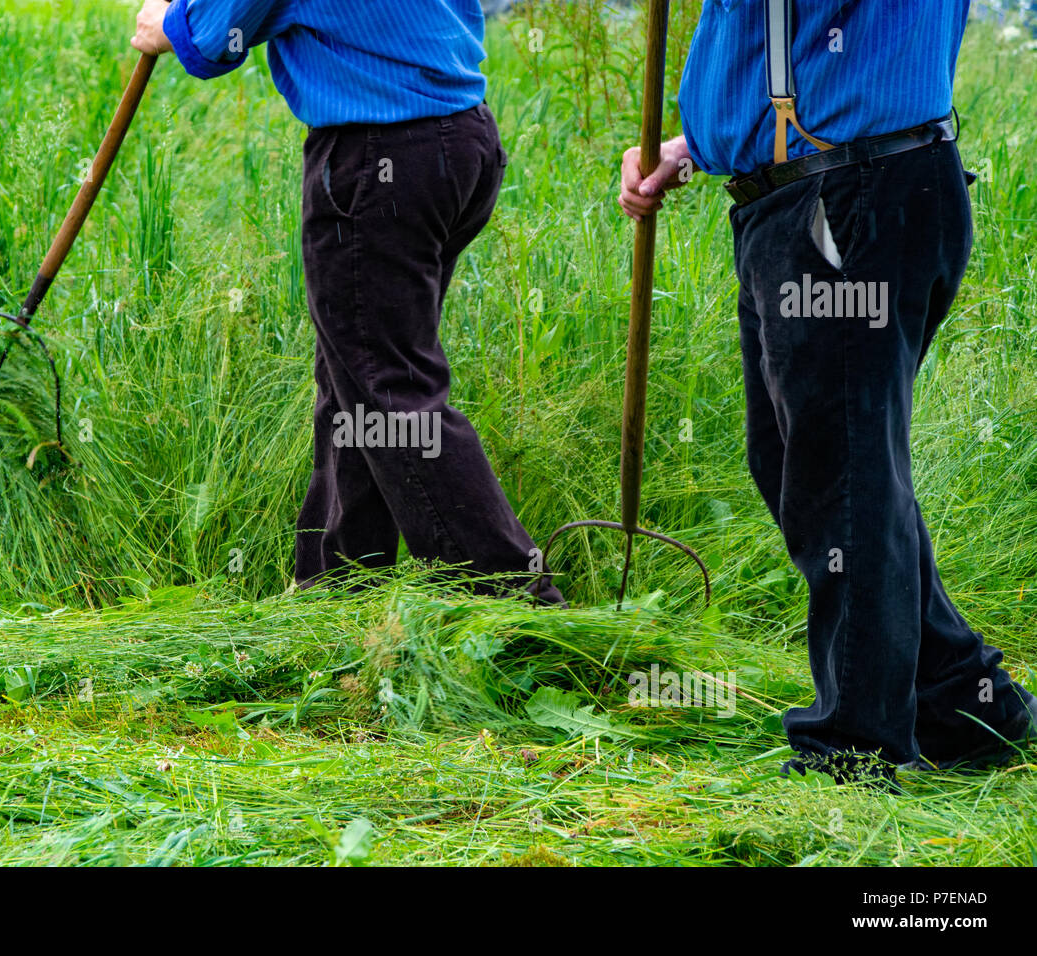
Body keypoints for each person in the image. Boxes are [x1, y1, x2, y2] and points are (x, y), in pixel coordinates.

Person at [618, 0, 1035, 785]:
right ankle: (966, 705)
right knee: (805, 465)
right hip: (809, 190)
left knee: (842, 479)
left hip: (851, 192)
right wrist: (695, 143)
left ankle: (854, 751)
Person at [131, 0, 563, 604]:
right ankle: (338, 591)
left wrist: (164, 23)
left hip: (381, 157)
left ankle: (514, 607)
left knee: (388, 392)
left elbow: (211, 40)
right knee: (353, 377)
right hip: (458, 141)